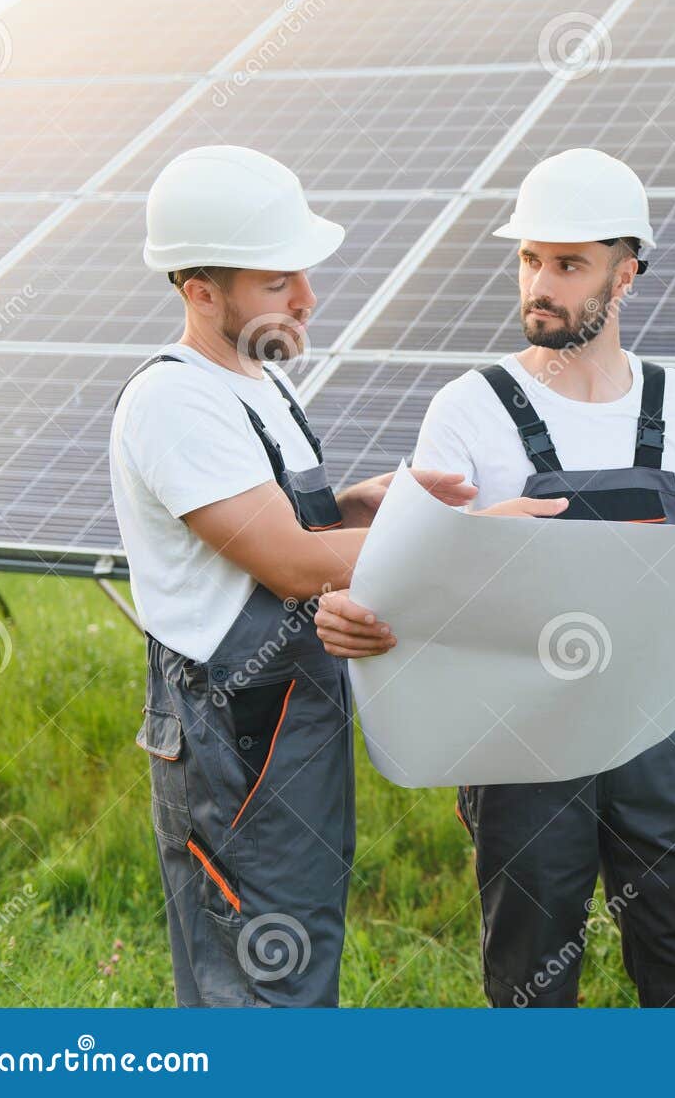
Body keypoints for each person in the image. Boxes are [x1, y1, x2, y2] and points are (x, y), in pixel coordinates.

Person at [313, 148, 675, 1007]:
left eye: (569, 264)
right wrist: (352, 611)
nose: (541, 283)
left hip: (658, 726)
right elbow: (413, 582)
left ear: (625, 273)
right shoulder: (468, 409)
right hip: (518, 740)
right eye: (530, 259)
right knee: (530, 976)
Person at [110, 144, 565, 1007]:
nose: (308, 300)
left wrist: (368, 503)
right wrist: (456, 536)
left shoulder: (256, 381)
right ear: (199, 289)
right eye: (279, 281)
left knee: (299, 944)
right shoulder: (175, 400)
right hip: (234, 731)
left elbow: (294, 524)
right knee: (258, 974)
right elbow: (287, 562)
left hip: (289, 718)